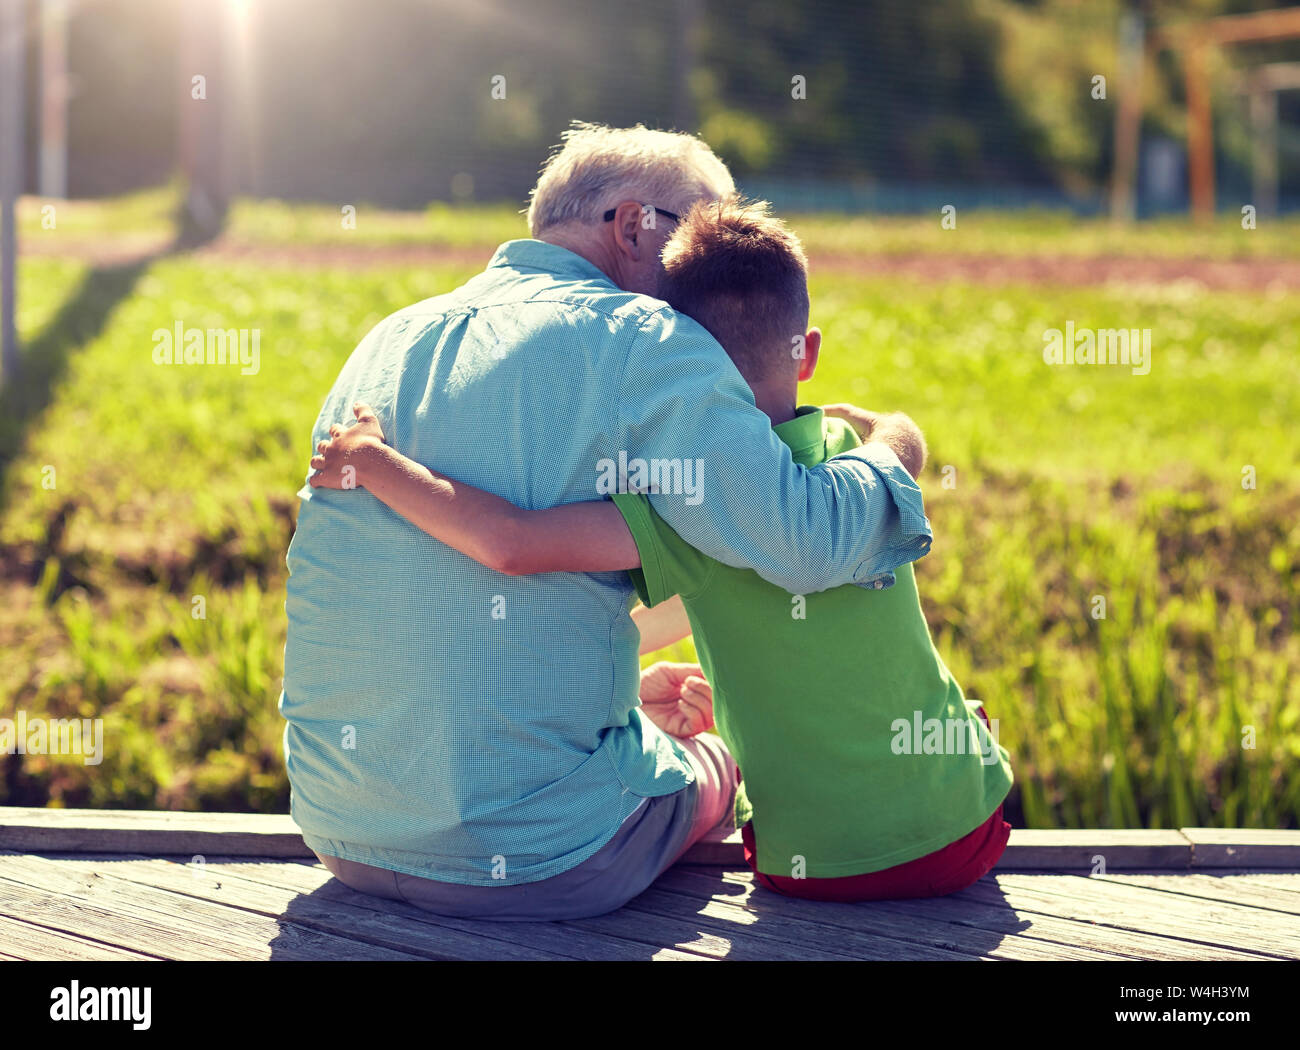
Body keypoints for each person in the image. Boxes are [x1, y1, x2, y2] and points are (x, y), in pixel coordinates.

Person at [282, 124, 931, 921]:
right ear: (632, 227)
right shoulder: (649, 339)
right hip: (542, 860)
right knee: (721, 760)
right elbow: (805, 541)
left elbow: (453, 589)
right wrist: (896, 443)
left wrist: (617, 688)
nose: (709, 277)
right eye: (697, 239)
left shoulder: (386, 340)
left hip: (337, 828)